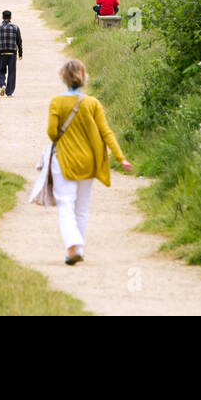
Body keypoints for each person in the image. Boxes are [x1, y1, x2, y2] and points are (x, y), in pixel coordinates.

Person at [46, 58, 131, 265]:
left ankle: (73, 245)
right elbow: (106, 133)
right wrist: (121, 158)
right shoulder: (93, 103)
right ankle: (79, 248)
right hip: (89, 161)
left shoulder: (57, 102)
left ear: (63, 77)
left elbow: (51, 132)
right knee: (82, 209)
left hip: (65, 159)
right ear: (84, 77)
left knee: (66, 204)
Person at [0, 9, 22, 97]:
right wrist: (20, 54)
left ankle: (2, 84)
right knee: (12, 72)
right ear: (11, 17)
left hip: (1, 53)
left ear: (2, 17)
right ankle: (9, 92)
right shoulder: (16, 28)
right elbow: (19, 41)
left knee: (0, 70)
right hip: (12, 53)